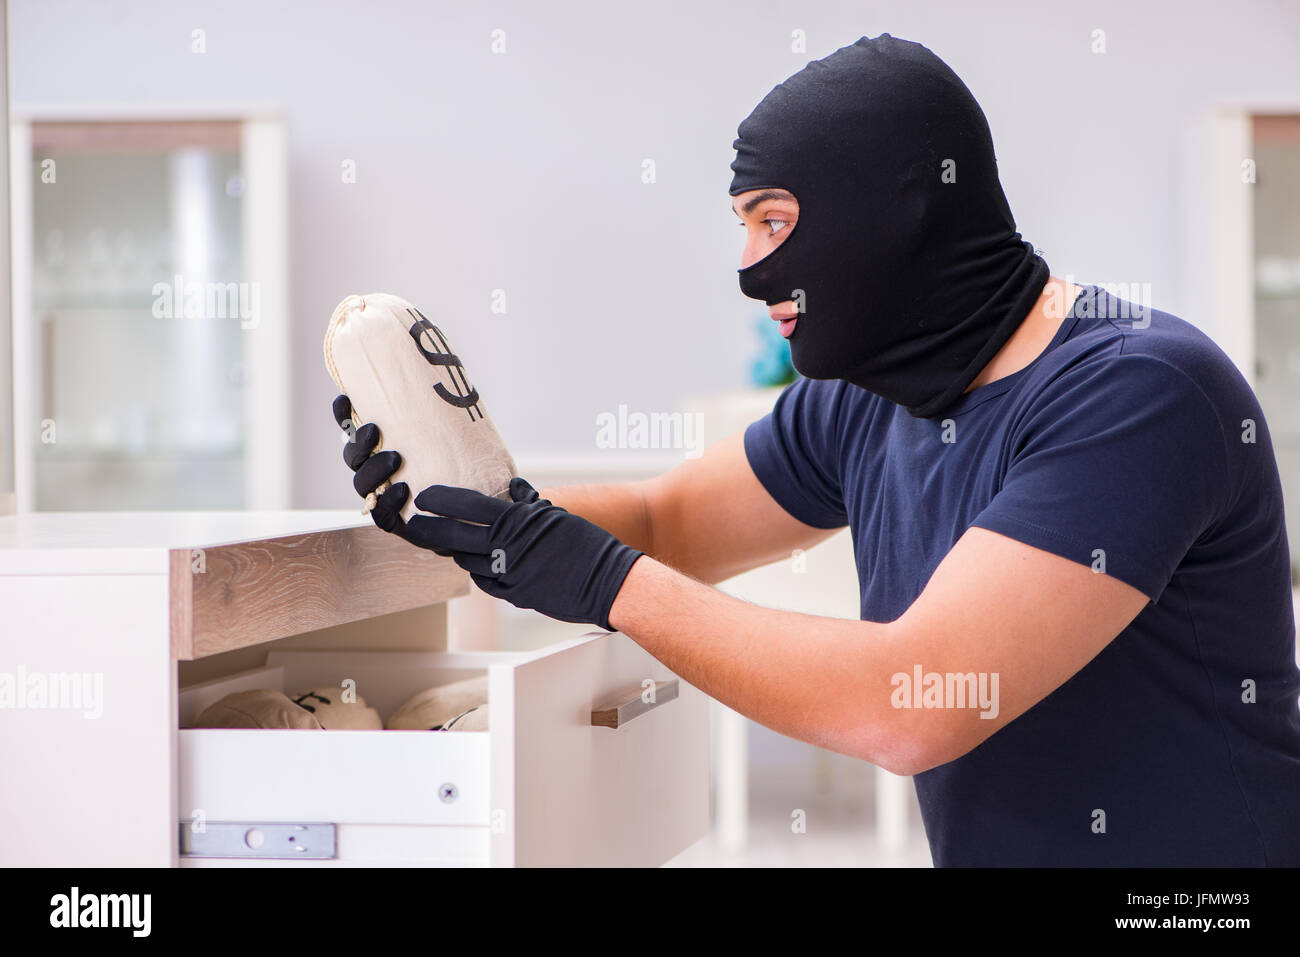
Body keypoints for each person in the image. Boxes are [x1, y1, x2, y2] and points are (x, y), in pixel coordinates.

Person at [332, 34, 1300, 866]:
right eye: (743, 227)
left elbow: (907, 704)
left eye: (775, 221)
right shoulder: (865, 399)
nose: (751, 269)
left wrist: (603, 582)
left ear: (899, 213)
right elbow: (667, 521)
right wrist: (477, 508)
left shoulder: (1138, 393)